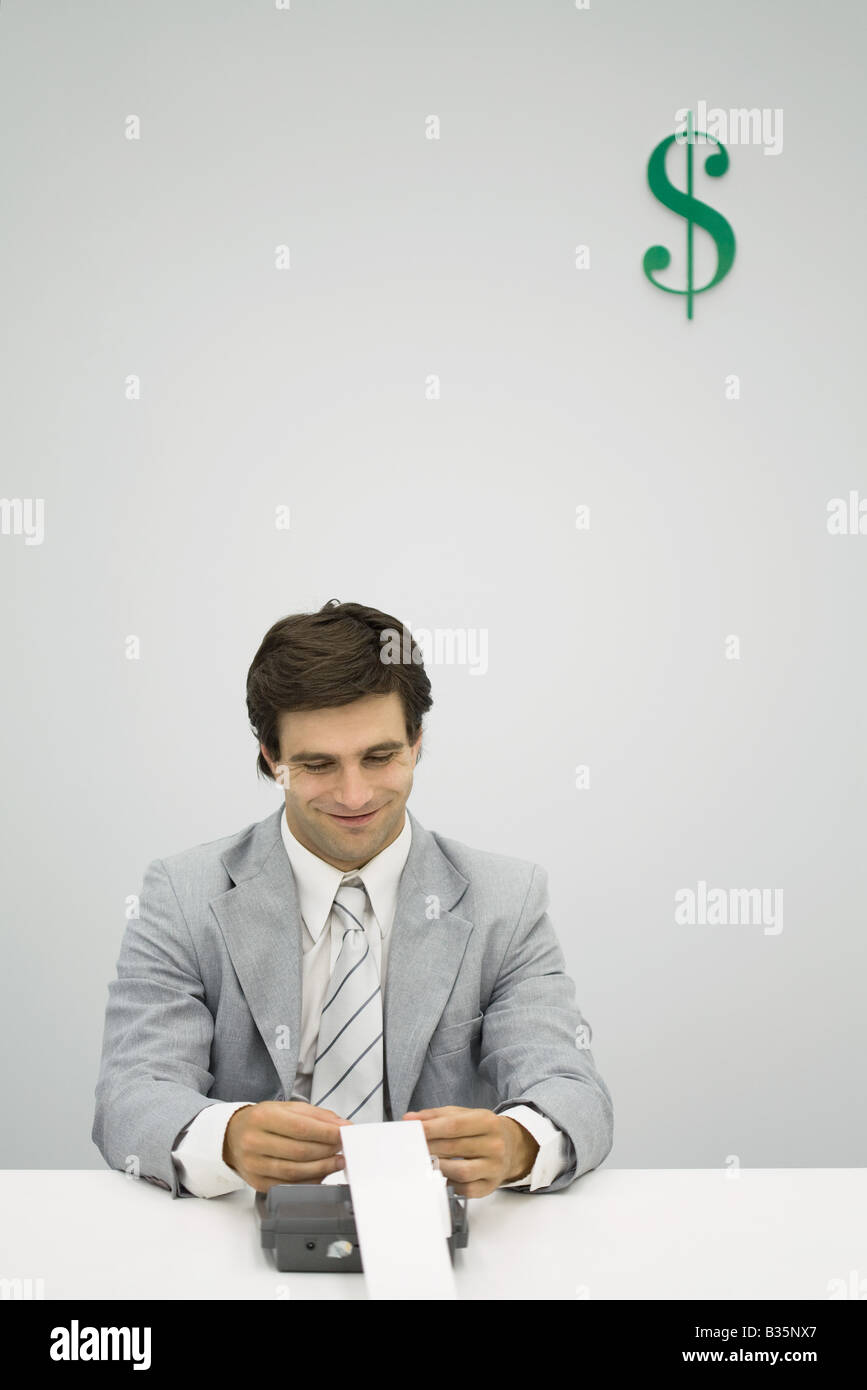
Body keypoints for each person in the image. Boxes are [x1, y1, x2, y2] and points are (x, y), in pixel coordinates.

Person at [92, 599, 613, 1199]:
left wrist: (519, 1143)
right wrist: (226, 1137)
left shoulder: (506, 900)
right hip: (239, 1244)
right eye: (317, 764)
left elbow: (573, 1088)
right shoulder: (183, 896)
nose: (355, 793)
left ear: (417, 743)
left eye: (380, 756)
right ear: (272, 759)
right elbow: (130, 1094)